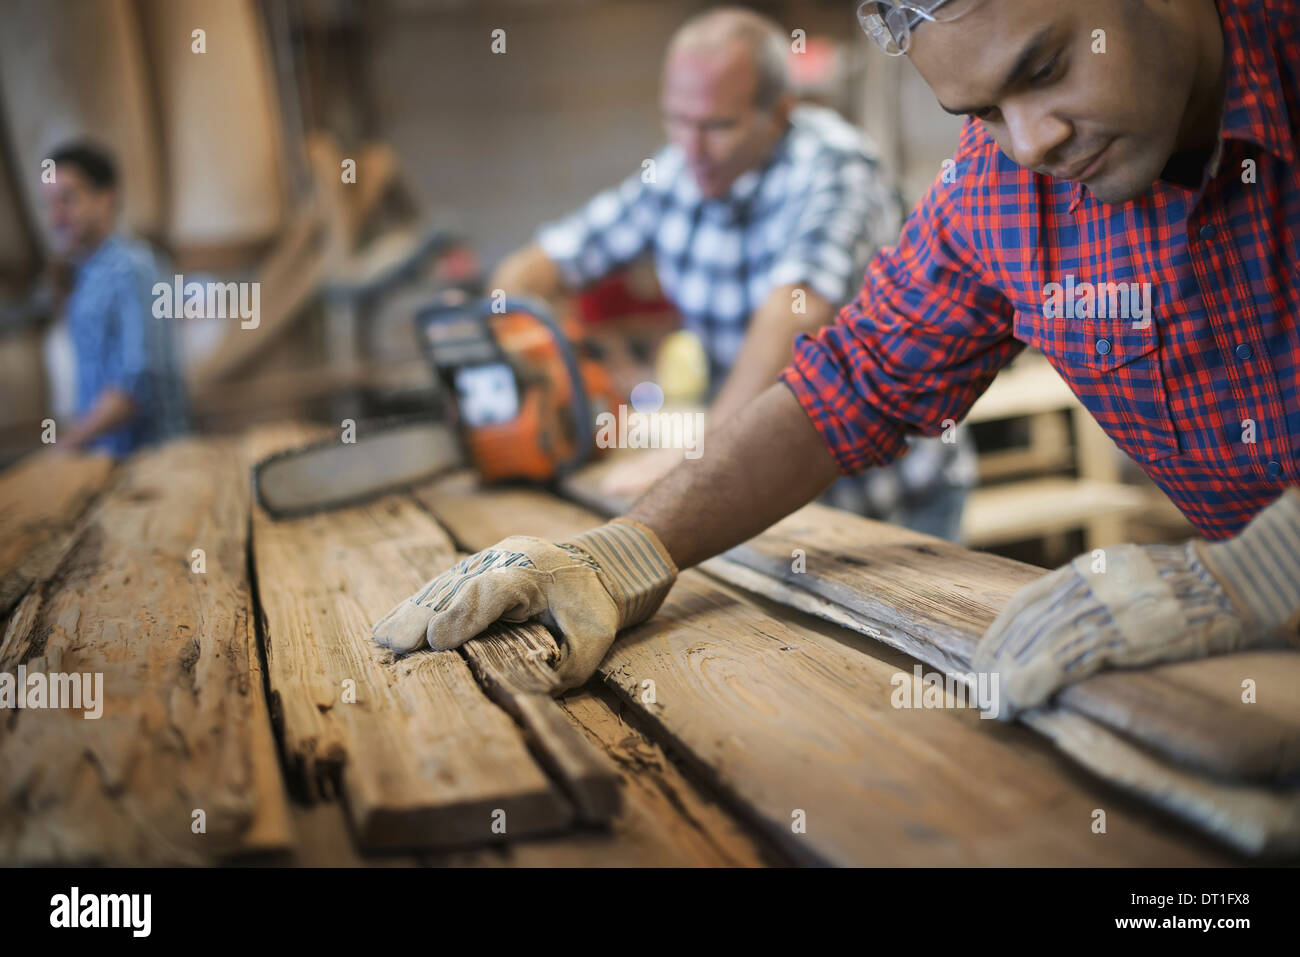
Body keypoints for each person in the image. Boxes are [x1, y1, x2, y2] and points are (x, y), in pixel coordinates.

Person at [374, 0, 1300, 720]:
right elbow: (848, 381)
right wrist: (624, 551)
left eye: (1046, 67)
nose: (1034, 142)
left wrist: (1270, 565)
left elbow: (797, 309)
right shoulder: (998, 191)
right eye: (980, 111)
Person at [491, 6, 975, 539]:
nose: (691, 148)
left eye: (718, 125)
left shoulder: (837, 167)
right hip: (764, 478)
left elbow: (795, 311)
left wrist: (702, 454)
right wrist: (504, 341)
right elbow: (550, 261)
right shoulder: (678, 170)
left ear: (779, 112)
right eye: (676, 119)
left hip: (884, 494)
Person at [38, 141, 187, 457]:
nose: (55, 215)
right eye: (48, 203)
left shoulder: (133, 268)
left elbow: (134, 386)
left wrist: (66, 446)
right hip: (110, 460)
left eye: (67, 198)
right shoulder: (84, 277)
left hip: (150, 462)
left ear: (107, 199)